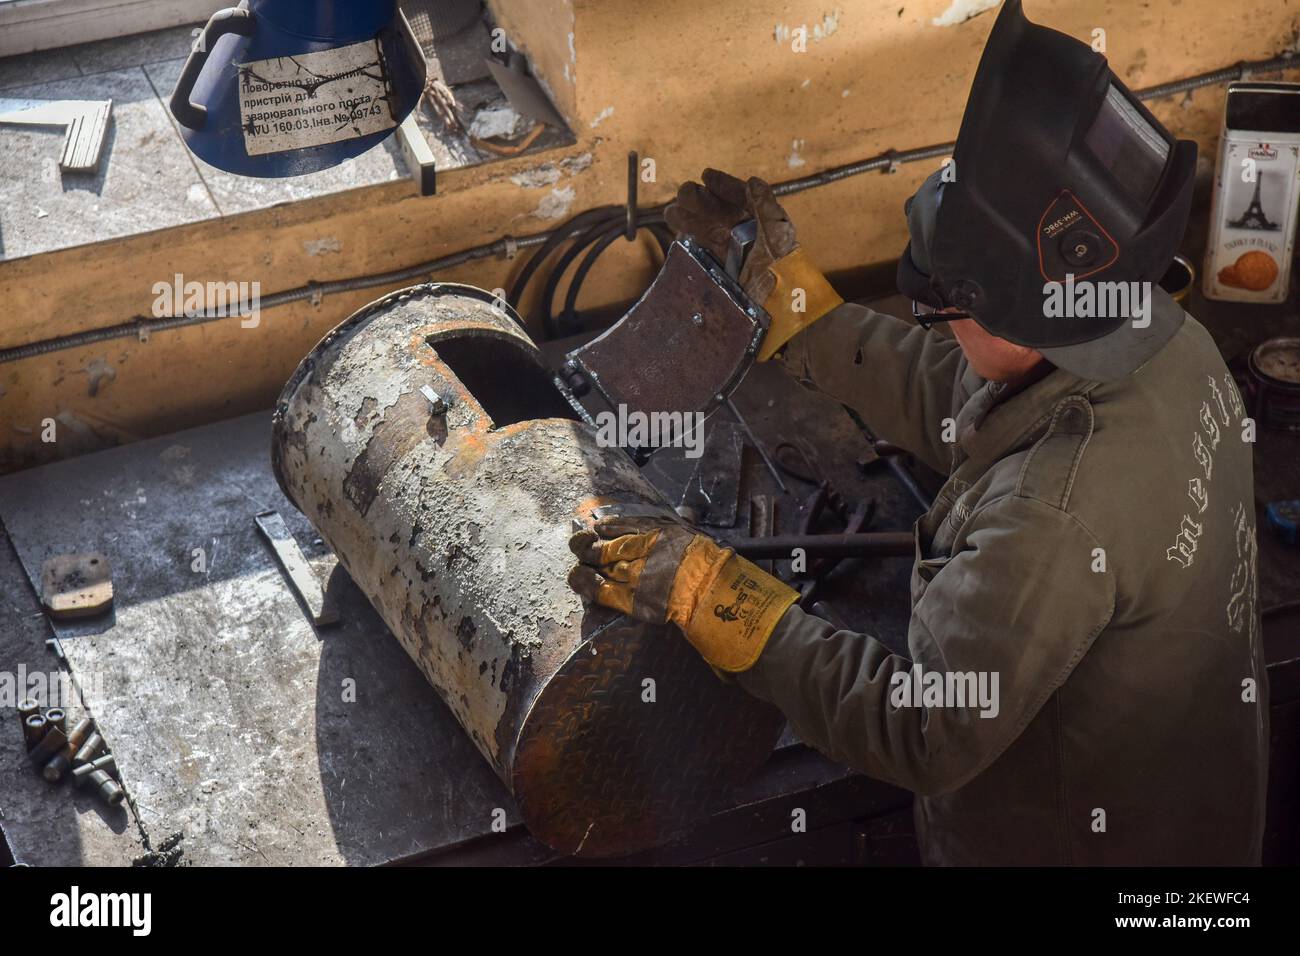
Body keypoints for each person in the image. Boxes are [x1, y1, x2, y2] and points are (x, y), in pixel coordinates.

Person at [566, 0, 1268, 865]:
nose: (932, 328)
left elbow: (921, 730)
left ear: (1009, 316)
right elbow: (980, 392)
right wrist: (805, 318)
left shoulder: (1049, 523)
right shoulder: (1158, 336)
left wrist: (720, 600)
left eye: (936, 314)